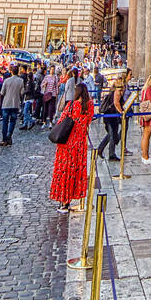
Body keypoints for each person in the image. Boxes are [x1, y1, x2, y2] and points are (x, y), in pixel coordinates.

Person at [49, 81, 95, 213]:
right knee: (77, 172)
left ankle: (64, 202)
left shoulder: (70, 106)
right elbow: (88, 121)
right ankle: (78, 198)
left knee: (65, 172)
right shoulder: (89, 106)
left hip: (66, 145)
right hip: (80, 144)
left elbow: (60, 121)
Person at [96, 73, 125, 162]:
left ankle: (100, 149)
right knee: (112, 134)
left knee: (111, 134)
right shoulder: (117, 92)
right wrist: (121, 112)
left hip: (110, 115)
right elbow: (116, 103)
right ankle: (111, 154)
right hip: (111, 115)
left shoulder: (114, 91)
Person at [0, 64, 24, 146]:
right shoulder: (21, 81)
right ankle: (9, 135)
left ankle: (4, 138)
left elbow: (2, 92)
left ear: (11, 72)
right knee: (13, 121)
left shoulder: (6, 81)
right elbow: (22, 92)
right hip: (15, 103)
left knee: (5, 122)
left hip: (6, 103)